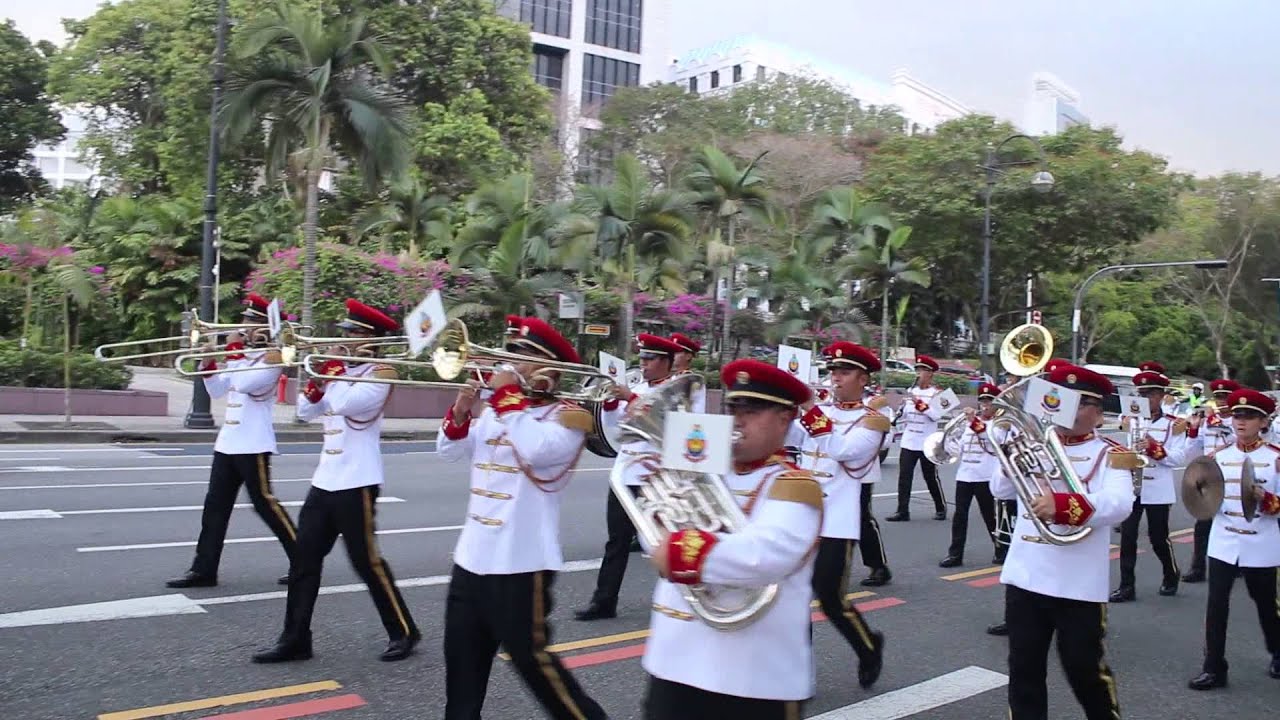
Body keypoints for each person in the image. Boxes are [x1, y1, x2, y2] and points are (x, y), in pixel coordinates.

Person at [436, 317, 608, 720]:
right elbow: (449, 453)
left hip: (520, 563)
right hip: (471, 558)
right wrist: (462, 409)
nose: (508, 361)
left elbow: (537, 452)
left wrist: (507, 397)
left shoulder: (566, 419)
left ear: (549, 369)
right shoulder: (501, 410)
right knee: (461, 673)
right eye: (509, 351)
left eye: (522, 355)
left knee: (537, 670)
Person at [643, 359, 823, 720]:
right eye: (733, 408)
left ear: (784, 420)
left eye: (752, 411)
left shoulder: (793, 485)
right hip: (673, 660)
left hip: (751, 677)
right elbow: (653, 533)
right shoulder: (702, 469)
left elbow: (767, 556)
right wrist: (662, 492)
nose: (738, 420)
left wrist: (680, 553)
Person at [252, 299, 418, 664]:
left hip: (358, 480)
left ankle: (403, 630)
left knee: (366, 562)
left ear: (372, 340)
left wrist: (330, 372)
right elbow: (305, 412)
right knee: (303, 559)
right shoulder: (339, 371)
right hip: (326, 479)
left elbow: (345, 405)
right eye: (345, 334)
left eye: (354, 335)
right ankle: (295, 638)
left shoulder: (381, 374)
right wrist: (316, 381)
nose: (344, 340)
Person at [991, 361, 1136, 720]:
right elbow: (999, 488)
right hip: (1026, 575)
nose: (1065, 409)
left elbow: (1119, 505)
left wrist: (1062, 506)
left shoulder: (1110, 454)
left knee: (1085, 671)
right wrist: (1010, 452)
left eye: (1079, 402)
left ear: (1099, 414)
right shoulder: (1032, 445)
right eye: (1059, 399)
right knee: (1024, 671)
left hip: (1077, 583)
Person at [167, 293, 297, 589]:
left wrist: (234, 350)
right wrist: (209, 361)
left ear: (265, 326)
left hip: (253, 443)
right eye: (244, 321)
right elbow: (217, 391)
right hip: (228, 442)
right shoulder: (244, 356)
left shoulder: (272, 358)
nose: (241, 326)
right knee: (215, 507)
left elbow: (245, 383)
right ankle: (203, 569)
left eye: (249, 322)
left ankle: (303, 560)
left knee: (266, 507)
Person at [787, 341, 888, 688]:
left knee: (830, 598)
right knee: (796, 596)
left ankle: (869, 645)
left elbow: (844, 451)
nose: (836, 378)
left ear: (863, 378)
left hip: (837, 520)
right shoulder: (820, 411)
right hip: (801, 514)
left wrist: (810, 409)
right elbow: (789, 438)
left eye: (844, 372)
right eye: (833, 371)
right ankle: (800, 673)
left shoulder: (874, 420)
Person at [576, 333, 689, 622]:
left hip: (656, 477)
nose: (644, 364)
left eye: (650, 359)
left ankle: (679, 602)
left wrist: (630, 399)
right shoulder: (639, 386)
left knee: (663, 542)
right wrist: (611, 407)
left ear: (666, 361)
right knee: (617, 541)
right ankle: (603, 601)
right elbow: (617, 429)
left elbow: (663, 422)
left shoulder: (678, 390)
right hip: (626, 473)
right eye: (642, 359)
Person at [1188, 389, 1280, 690]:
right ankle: (1213, 666)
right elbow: (1201, 498)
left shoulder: (1275, 459)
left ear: (1264, 422)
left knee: (1266, 603)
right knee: (1216, 605)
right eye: (1237, 415)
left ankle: (1277, 651)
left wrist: (1266, 500)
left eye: (1249, 416)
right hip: (1224, 541)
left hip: (1262, 541)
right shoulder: (1218, 457)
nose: (1241, 421)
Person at [1111, 368, 1203, 602]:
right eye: (1141, 393)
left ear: (1162, 395)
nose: (1145, 398)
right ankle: (1126, 586)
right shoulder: (1132, 420)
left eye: (1151, 393)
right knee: (1128, 537)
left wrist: (1155, 450)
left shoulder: (1175, 425)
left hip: (1158, 489)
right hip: (1133, 486)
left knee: (1158, 538)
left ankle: (1171, 574)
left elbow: (1179, 457)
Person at [1183, 378, 1241, 584]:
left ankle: (1237, 563)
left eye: (1225, 397)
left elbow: (1237, 442)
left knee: (1234, 521)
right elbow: (1190, 453)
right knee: (1203, 524)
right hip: (1210, 478)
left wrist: (1215, 423)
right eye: (1218, 397)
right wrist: (1194, 429)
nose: (1221, 401)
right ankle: (1198, 567)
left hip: (1233, 477)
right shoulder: (1208, 421)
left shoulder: (1239, 421)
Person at [939, 383, 1003, 569]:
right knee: (959, 517)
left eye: (989, 401)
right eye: (982, 401)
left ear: (997, 404)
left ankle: (1000, 549)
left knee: (990, 516)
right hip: (965, 476)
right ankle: (955, 554)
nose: (985, 405)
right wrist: (946, 442)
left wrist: (972, 421)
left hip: (985, 476)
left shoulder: (999, 425)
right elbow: (961, 449)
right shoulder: (969, 425)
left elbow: (991, 441)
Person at [887, 355, 949, 522]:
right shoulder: (911, 392)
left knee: (930, 476)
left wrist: (918, 403)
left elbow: (935, 416)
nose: (918, 374)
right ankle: (902, 511)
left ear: (930, 373)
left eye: (922, 371)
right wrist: (901, 410)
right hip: (909, 440)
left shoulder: (939, 394)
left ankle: (940, 507)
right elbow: (905, 414)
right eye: (917, 370)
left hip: (927, 441)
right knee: (904, 476)